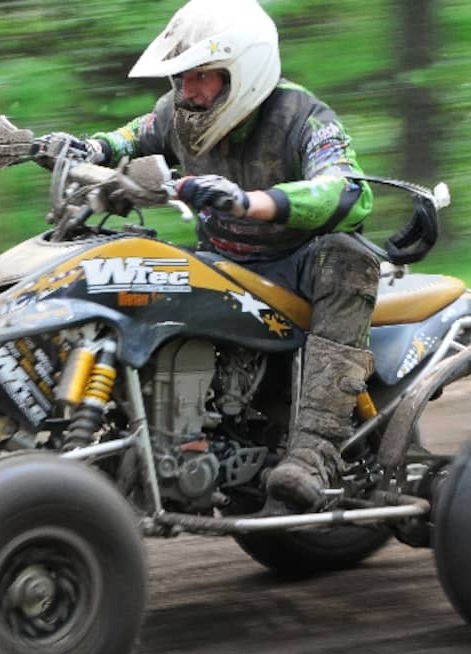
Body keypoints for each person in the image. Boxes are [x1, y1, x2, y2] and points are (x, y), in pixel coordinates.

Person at [34, 0, 379, 512]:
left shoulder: (303, 117)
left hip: (295, 263)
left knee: (348, 258)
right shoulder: (178, 113)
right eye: (181, 77)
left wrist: (253, 202)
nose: (188, 91)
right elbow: (129, 138)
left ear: (244, 73)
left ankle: (313, 455)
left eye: (202, 77)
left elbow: (350, 192)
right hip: (222, 259)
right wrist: (78, 149)